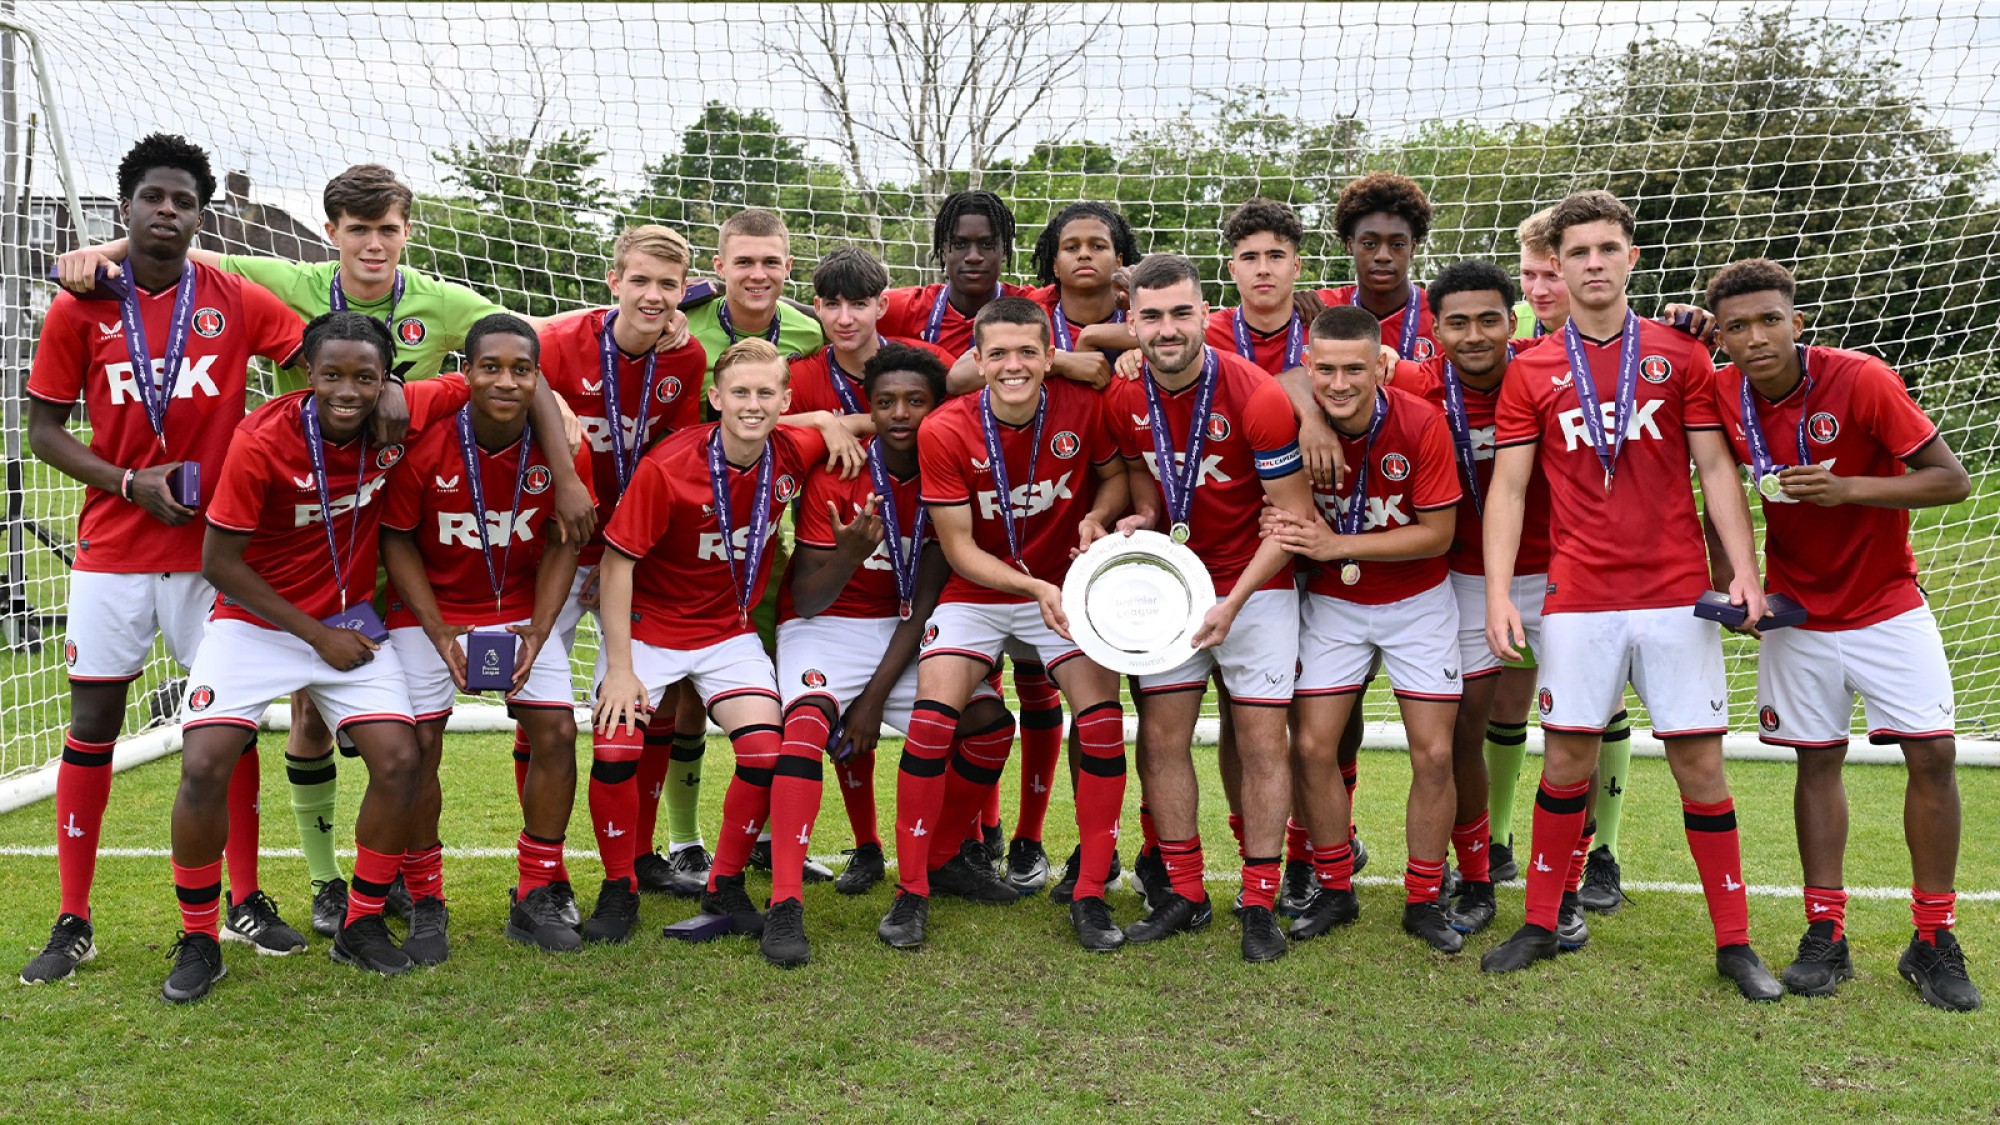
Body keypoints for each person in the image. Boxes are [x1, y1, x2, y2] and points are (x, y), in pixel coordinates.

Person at [57, 162, 597, 936]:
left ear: (407, 232)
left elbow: (516, 358)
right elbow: (177, 244)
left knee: (389, 727)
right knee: (306, 715)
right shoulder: (283, 285)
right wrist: (95, 255)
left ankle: (420, 890)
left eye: (388, 229)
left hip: (383, 513)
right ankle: (322, 881)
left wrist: (568, 466)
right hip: (288, 532)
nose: (373, 244)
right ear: (332, 231)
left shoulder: (444, 303)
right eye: (358, 228)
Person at [1480, 190, 1781, 1001]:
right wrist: (1501, 594)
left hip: (1675, 594)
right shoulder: (1531, 370)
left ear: (1631, 258)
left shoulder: (1681, 354)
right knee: (1568, 755)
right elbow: (1508, 490)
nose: (1593, 265)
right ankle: (1543, 920)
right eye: (1577, 253)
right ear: (1558, 265)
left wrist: (1740, 573)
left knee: (1701, 767)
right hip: (1577, 596)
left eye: (1608, 249)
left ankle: (1736, 943)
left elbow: (1717, 468)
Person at [21, 134, 308, 984]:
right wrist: (125, 481)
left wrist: (264, 457)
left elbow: (314, 366)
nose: (168, 212)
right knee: (94, 726)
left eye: (184, 200)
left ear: (200, 214)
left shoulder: (235, 296)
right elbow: (42, 430)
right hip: (111, 553)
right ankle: (74, 917)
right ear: (126, 208)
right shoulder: (79, 308)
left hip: (213, 557)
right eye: (153, 197)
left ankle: (245, 899)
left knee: (227, 728)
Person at [165, 312, 469, 1001]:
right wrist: (315, 634)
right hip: (256, 621)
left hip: (348, 623)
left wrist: (562, 431)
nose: (348, 390)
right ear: (307, 372)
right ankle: (198, 937)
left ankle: (360, 924)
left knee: (400, 759)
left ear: (387, 379)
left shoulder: (402, 410)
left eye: (367, 377)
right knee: (205, 762)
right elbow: (218, 561)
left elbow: (494, 371)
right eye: (332, 374)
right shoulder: (262, 438)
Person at [1706, 258, 1978, 1011]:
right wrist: (1734, 581)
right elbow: (1717, 500)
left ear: (1798, 323)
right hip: (1796, 613)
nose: (1754, 338)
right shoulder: (1723, 392)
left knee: (1934, 753)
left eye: (1768, 320)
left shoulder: (1861, 379)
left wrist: (1850, 486)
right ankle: (1826, 932)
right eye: (1736, 326)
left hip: (1887, 603)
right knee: (1816, 763)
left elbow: (1950, 479)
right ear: (1721, 338)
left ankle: (1932, 938)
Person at [585, 339, 865, 946]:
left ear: (785, 401)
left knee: (768, 754)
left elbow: (880, 420)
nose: (753, 404)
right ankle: (618, 888)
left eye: (767, 393)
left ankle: (724, 885)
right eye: (739, 392)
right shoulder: (669, 465)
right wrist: (622, 670)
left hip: (727, 632)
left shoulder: (792, 445)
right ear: (715, 398)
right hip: (649, 630)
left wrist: (831, 421)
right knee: (615, 752)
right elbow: (616, 563)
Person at [886, 296, 1134, 953]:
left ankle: (1089, 893)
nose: (1014, 365)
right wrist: (1028, 584)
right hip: (982, 587)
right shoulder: (946, 427)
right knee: (936, 713)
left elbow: (1113, 480)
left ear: (1051, 355)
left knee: (1104, 722)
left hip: (1066, 585)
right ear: (978, 360)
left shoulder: (1085, 407)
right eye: (998, 353)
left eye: (1028, 351)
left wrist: (1096, 518)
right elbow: (960, 548)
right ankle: (911, 890)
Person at [767, 343, 1017, 965]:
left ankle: (935, 862)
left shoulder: (950, 470)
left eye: (915, 401)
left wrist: (872, 701)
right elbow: (807, 596)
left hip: (904, 626)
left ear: (939, 407)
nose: (900, 413)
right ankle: (784, 904)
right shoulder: (840, 468)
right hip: (827, 625)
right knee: (802, 730)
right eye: (885, 403)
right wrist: (851, 552)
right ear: (868, 410)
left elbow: (926, 601)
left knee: (989, 726)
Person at [1102, 254, 1315, 962]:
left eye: (1181, 313)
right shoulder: (1121, 398)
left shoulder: (1255, 394)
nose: (1167, 329)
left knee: (1260, 740)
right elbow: (1145, 484)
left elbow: (1290, 521)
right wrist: (1135, 518)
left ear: (1205, 314)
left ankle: (1259, 902)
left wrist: (1233, 601)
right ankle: (1185, 894)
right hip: (1170, 588)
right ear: (1131, 320)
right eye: (1152, 316)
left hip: (1255, 584)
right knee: (1161, 736)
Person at [379, 313, 590, 957]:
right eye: (490, 367)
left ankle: (536, 892)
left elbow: (564, 542)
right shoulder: (429, 441)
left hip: (519, 610)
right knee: (417, 744)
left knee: (556, 730)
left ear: (537, 378)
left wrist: (539, 630)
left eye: (521, 369)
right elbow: (397, 539)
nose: (505, 380)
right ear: (464, 372)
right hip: (432, 612)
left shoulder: (560, 449)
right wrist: (440, 631)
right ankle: (424, 897)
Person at [1261, 305, 1464, 952]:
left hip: (1418, 599)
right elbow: (1272, 387)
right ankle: (1335, 887)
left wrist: (1336, 543)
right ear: (1309, 367)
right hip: (1333, 604)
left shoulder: (1421, 420)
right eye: (1326, 369)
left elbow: (1439, 534)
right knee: (1314, 746)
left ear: (1382, 365)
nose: (1340, 382)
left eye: (1355, 368)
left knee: (1433, 751)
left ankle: (1426, 898)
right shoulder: (1290, 418)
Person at [540, 224, 712, 900]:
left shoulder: (686, 357)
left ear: (683, 292)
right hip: (554, 545)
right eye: (639, 280)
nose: (652, 295)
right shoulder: (558, 344)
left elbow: (668, 459)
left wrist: (626, 548)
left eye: (667, 285)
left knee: (650, 695)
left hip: (631, 550)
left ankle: (639, 855)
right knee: (543, 707)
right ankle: (545, 872)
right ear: (614, 282)